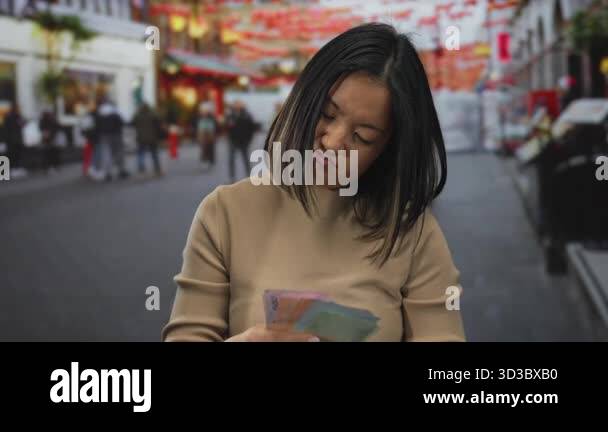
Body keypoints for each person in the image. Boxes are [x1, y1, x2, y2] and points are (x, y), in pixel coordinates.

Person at [162, 23, 465, 342]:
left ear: (388, 149)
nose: (333, 142)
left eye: (362, 136)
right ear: (303, 99)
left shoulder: (412, 233)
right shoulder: (224, 213)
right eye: (326, 114)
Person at [225, 100, 256, 182]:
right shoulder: (230, 115)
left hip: (244, 141)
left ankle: (249, 176)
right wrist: (229, 138)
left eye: (239, 104)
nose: (238, 106)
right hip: (233, 141)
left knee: (245, 159)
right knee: (231, 159)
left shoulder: (247, 115)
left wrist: (249, 139)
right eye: (236, 104)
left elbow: (252, 128)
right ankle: (232, 177)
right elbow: (226, 127)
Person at [133, 102, 163, 176]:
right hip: (152, 137)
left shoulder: (137, 116)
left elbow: (133, 124)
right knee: (154, 154)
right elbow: (158, 126)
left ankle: (141, 168)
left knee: (141, 153)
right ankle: (157, 168)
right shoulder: (153, 115)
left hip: (141, 137)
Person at [4, 104, 27, 179]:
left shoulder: (15, 116)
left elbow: (23, 124)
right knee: (14, 154)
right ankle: (14, 169)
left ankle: (17, 168)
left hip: (15, 139)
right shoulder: (12, 117)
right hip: (13, 139)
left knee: (16, 154)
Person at [195, 103, 218, 171]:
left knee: (210, 148)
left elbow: (215, 127)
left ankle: (210, 161)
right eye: (203, 110)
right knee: (203, 148)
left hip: (210, 134)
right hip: (202, 134)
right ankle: (204, 161)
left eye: (205, 110)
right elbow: (197, 126)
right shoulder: (199, 118)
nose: (204, 112)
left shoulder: (212, 118)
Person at [39, 110, 60, 174]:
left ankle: (50, 167)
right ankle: (49, 167)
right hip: (49, 140)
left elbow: (56, 127)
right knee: (49, 154)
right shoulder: (47, 121)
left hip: (50, 139)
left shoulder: (50, 120)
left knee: (50, 153)